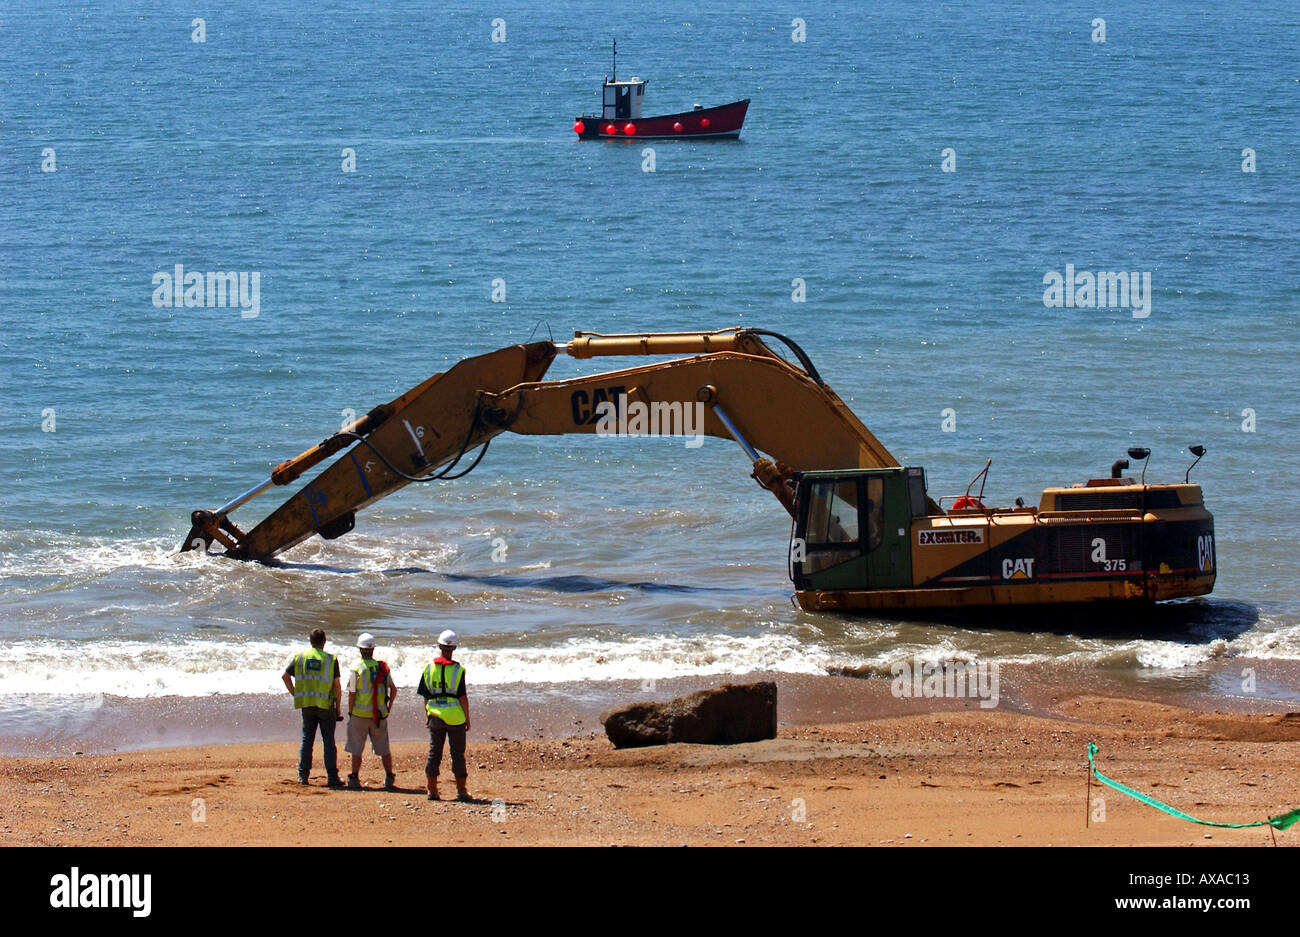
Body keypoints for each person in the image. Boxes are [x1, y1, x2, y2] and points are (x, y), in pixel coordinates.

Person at [282, 628, 344, 788]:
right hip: (325, 705)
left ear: (310, 641)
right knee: (328, 741)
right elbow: (337, 687)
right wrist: (338, 709)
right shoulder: (330, 660)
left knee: (307, 739)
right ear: (324, 641)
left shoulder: (301, 658)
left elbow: (285, 676)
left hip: (307, 704)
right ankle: (332, 777)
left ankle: (303, 775)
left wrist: (295, 694)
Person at [418, 629, 471, 802]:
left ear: (439, 646)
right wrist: (467, 718)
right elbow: (462, 697)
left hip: (435, 715)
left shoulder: (428, 669)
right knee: (457, 754)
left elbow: (426, 696)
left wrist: (428, 714)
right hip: (455, 717)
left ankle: (432, 790)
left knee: (434, 753)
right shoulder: (458, 670)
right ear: (453, 648)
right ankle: (461, 791)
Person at [344, 632, 398, 791]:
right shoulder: (382, 668)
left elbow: (352, 693)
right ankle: (389, 777)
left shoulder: (356, 668)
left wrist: (350, 711)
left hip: (359, 715)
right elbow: (393, 690)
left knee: (356, 749)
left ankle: (354, 778)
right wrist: (389, 707)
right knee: (383, 748)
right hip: (379, 715)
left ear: (359, 649)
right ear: (373, 649)